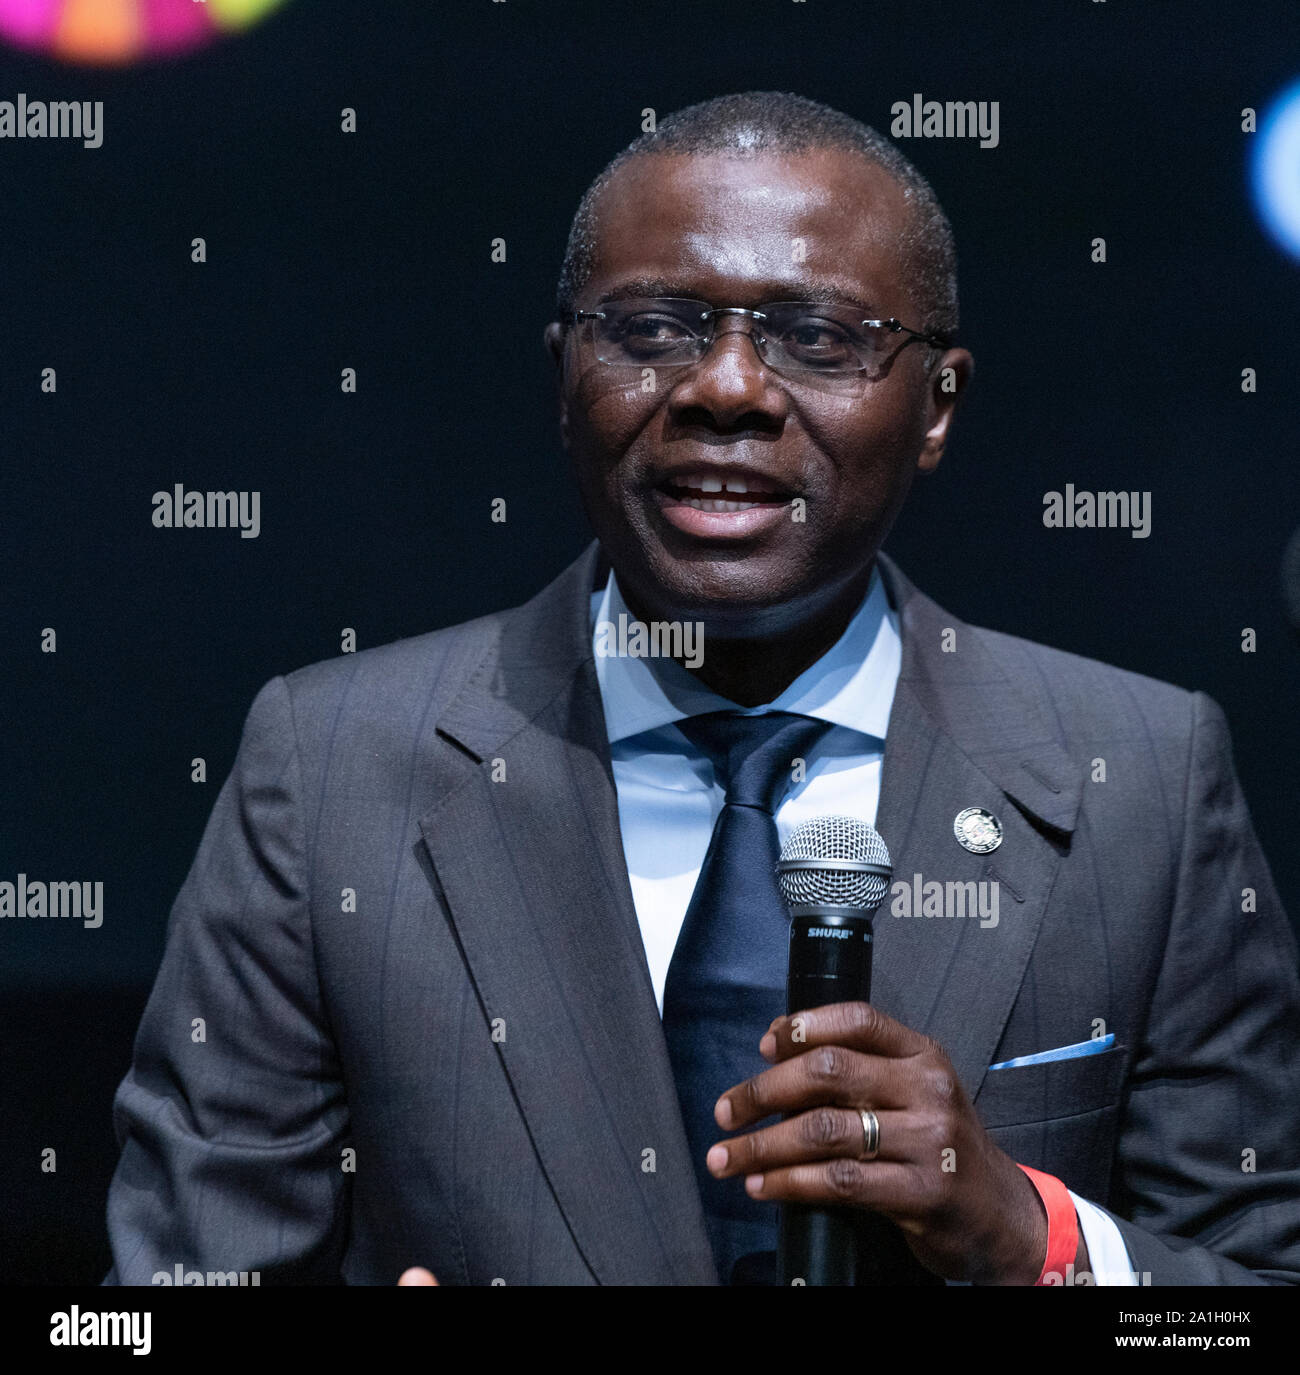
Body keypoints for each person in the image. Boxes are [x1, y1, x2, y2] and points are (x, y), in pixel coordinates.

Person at [104, 92, 1300, 1287]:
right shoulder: (327, 768)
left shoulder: (1139, 775)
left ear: (937, 405)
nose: (725, 386)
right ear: (562, 372)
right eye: (652, 328)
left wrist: (1026, 1237)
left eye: (820, 337)